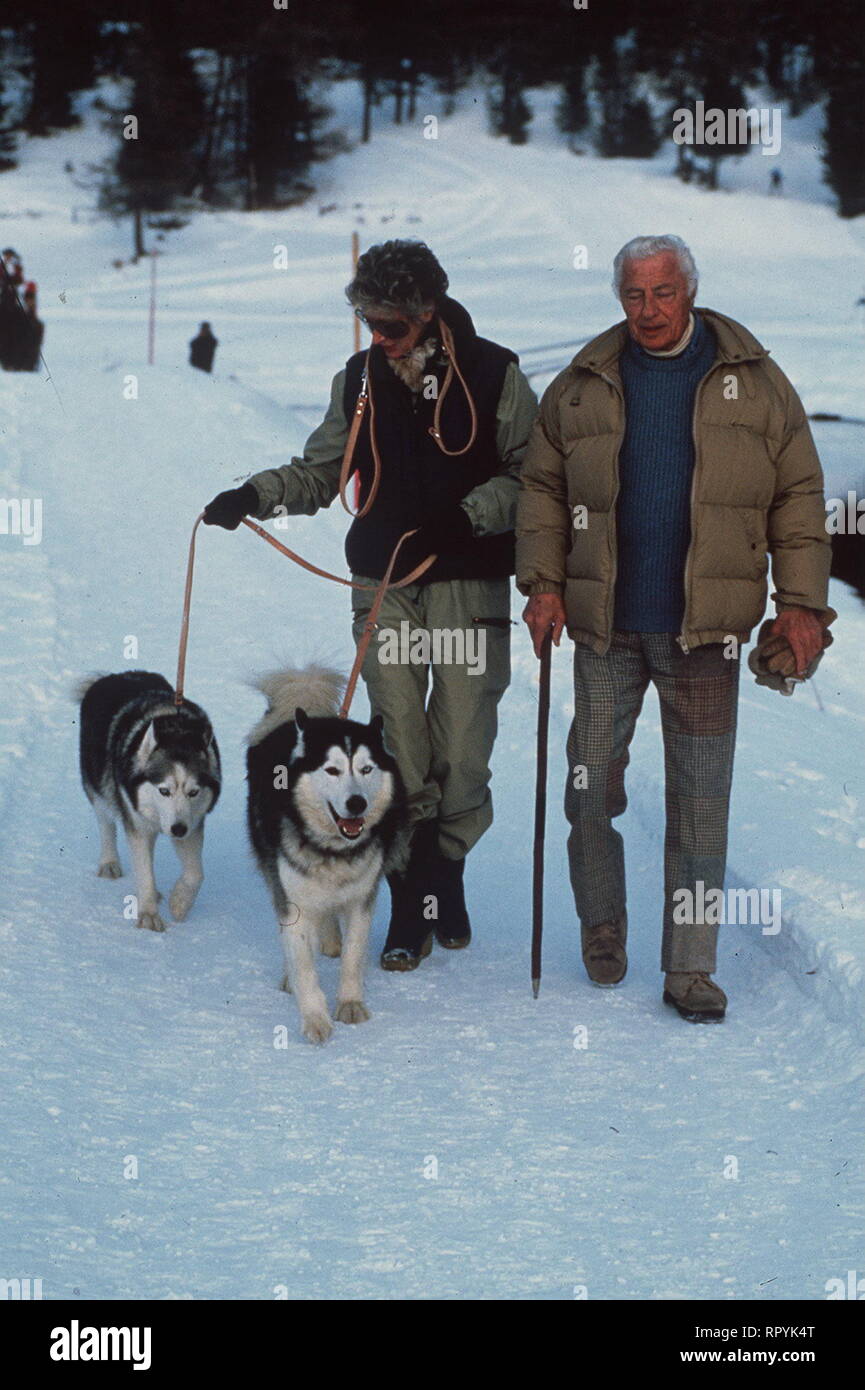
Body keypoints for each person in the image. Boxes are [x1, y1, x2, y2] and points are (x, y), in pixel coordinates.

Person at [516, 234, 830, 1022]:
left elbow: (798, 495)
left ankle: (689, 969)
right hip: (602, 630)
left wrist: (800, 602)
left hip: (706, 633)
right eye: (632, 295)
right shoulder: (582, 386)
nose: (647, 311)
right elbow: (542, 492)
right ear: (618, 298)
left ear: (688, 291)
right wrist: (543, 585)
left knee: (699, 804)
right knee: (588, 789)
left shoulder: (753, 385)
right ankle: (601, 926)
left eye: (661, 293)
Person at [203, 240, 537, 970]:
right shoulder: (357, 380)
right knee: (397, 744)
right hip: (383, 580)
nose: (378, 339)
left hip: (466, 581)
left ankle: (447, 871)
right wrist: (254, 494)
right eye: (367, 323)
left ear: (425, 312)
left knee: (462, 743)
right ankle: (411, 892)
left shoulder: (493, 372)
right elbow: (323, 469)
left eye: (389, 325)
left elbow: (532, 475)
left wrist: (471, 514)